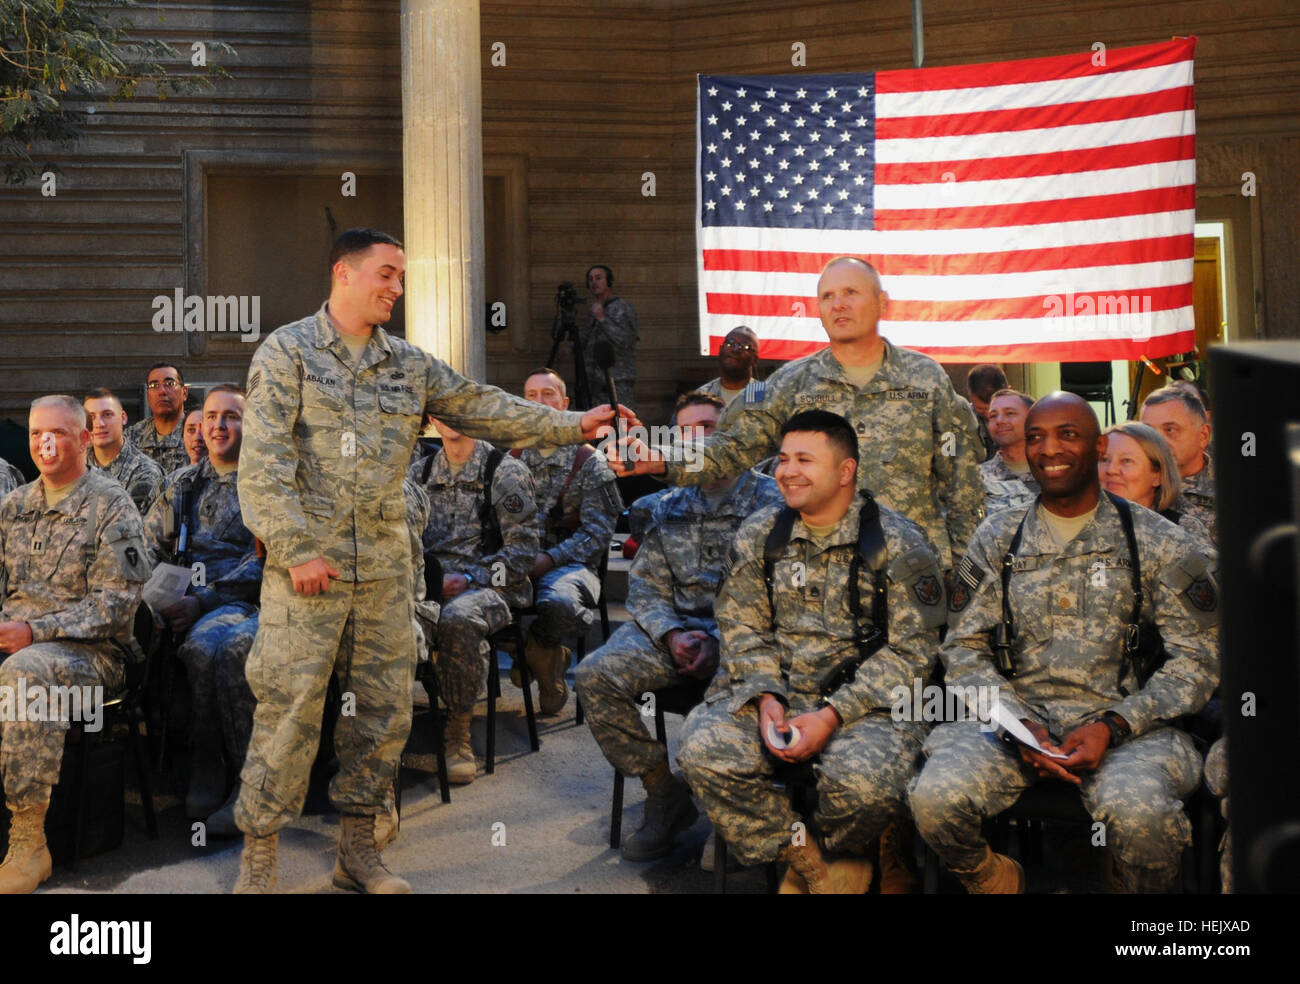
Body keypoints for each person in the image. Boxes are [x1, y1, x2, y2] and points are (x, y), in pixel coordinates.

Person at [232, 227, 624, 894]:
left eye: (401, 276)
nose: (396, 287)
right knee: (288, 711)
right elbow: (261, 466)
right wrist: (296, 550)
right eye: (386, 273)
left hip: (386, 572)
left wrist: (572, 423)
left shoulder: (409, 364)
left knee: (382, 711)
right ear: (344, 274)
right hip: (309, 575)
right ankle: (260, 859)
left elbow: (483, 407)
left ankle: (358, 850)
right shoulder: (287, 353)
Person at [909, 393, 1219, 894]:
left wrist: (1115, 725)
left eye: (1066, 435)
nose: (1049, 449)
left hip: (1128, 729)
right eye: (1036, 437)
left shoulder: (1157, 541)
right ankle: (991, 878)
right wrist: (1018, 724)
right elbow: (963, 648)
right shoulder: (998, 536)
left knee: (1143, 818)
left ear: (1097, 447)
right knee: (935, 798)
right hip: (1013, 722)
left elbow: (1198, 661)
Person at [678, 411, 946, 894]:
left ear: (846, 472)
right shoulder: (760, 533)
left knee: (864, 787)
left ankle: (858, 846)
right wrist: (765, 696)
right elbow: (740, 624)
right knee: (702, 753)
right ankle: (807, 859)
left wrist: (832, 714)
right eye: (782, 459)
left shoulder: (899, 541)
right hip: (775, 690)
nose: (787, 471)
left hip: (867, 705)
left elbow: (913, 652)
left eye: (805, 460)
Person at [612, 256, 982, 575]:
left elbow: (961, 485)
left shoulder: (926, 377)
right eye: (827, 297)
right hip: (822, 573)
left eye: (851, 292)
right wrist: (661, 456)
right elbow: (731, 448)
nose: (838, 305)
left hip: (912, 569)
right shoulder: (791, 382)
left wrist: (964, 572)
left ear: (883, 303)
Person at [575, 392, 782, 862]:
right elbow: (646, 588)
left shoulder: (773, 503)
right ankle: (665, 794)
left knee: (735, 701)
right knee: (595, 674)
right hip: (676, 635)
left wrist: (719, 640)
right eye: (687, 432)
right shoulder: (666, 505)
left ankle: (727, 811)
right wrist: (673, 635)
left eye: (709, 428)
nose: (698, 439)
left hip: (748, 640)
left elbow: (781, 601)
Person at [0, 396, 149, 893]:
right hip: (19, 639)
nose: (45, 443)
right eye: (36, 433)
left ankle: (29, 842)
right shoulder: (15, 506)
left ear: (84, 439)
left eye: (59, 433)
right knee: (22, 665)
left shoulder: (111, 505)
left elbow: (117, 608)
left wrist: (35, 632)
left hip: (95, 654)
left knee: (27, 674)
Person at [142, 385, 261, 835]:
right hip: (183, 595)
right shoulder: (183, 483)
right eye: (211, 416)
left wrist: (203, 601)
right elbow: (149, 544)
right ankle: (161, 758)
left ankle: (219, 767)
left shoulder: (263, 484)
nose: (218, 425)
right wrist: (155, 596)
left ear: (250, 425)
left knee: (210, 648)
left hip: (239, 600)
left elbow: (266, 562)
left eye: (231, 416)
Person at [409, 417, 538, 783]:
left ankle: (457, 733)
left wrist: (469, 578)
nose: (451, 420)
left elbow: (523, 552)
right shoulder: (418, 475)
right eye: (442, 412)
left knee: (458, 619)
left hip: (492, 585)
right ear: (432, 419)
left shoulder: (505, 472)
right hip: (428, 584)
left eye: (460, 410)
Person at [514, 367, 624, 715]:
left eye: (548, 394)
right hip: (516, 562)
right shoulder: (509, 459)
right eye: (531, 396)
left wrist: (550, 559)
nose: (540, 401)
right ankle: (545, 660)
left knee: (562, 604)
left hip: (571, 565)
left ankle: (537, 647)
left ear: (565, 404)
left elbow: (597, 533)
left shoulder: (591, 463)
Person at [1099, 421, 1213, 549]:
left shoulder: (1182, 531)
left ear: (1157, 475)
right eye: (1104, 459)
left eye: (1126, 461)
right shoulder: (1080, 524)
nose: (1111, 470)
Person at [1140, 385, 1216, 544]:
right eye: (1148, 431)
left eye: (1170, 430)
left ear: (1203, 436)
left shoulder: (1236, 492)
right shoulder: (1124, 484)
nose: (1157, 441)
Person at [83, 388, 164, 517]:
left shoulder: (145, 472)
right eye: (91, 417)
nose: (99, 423)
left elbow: (134, 527)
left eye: (107, 414)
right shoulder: (75, 464)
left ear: (123, 418)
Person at [580, 264, 638, 409]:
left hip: (617, 384)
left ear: (609, 281)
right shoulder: (595, 308)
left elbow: (626, 341)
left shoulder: (622, 307)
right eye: (591, 279)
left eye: (599, 278)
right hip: (595, 386)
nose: (594, 282)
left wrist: (602, 319)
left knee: (621, 427)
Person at [979, 389, 1039, 514]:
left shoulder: (1053, 473)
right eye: (993, 416)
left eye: (1010, 413)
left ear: (1032, 419)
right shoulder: (976, 478)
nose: (999, 420)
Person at [127, 363, 192, 477]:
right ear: (148, 396)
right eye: (154, 385)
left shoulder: (198, 433)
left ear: (184, 392)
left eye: (169, 384)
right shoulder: (132, 436)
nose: (162, 391)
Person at [699, 325, 761, 419]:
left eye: (745, 347)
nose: (735, 350)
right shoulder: (699, 398)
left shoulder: (770, 398)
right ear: (720, 350)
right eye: (730, 343)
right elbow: (678, 432)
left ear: (755, 359)